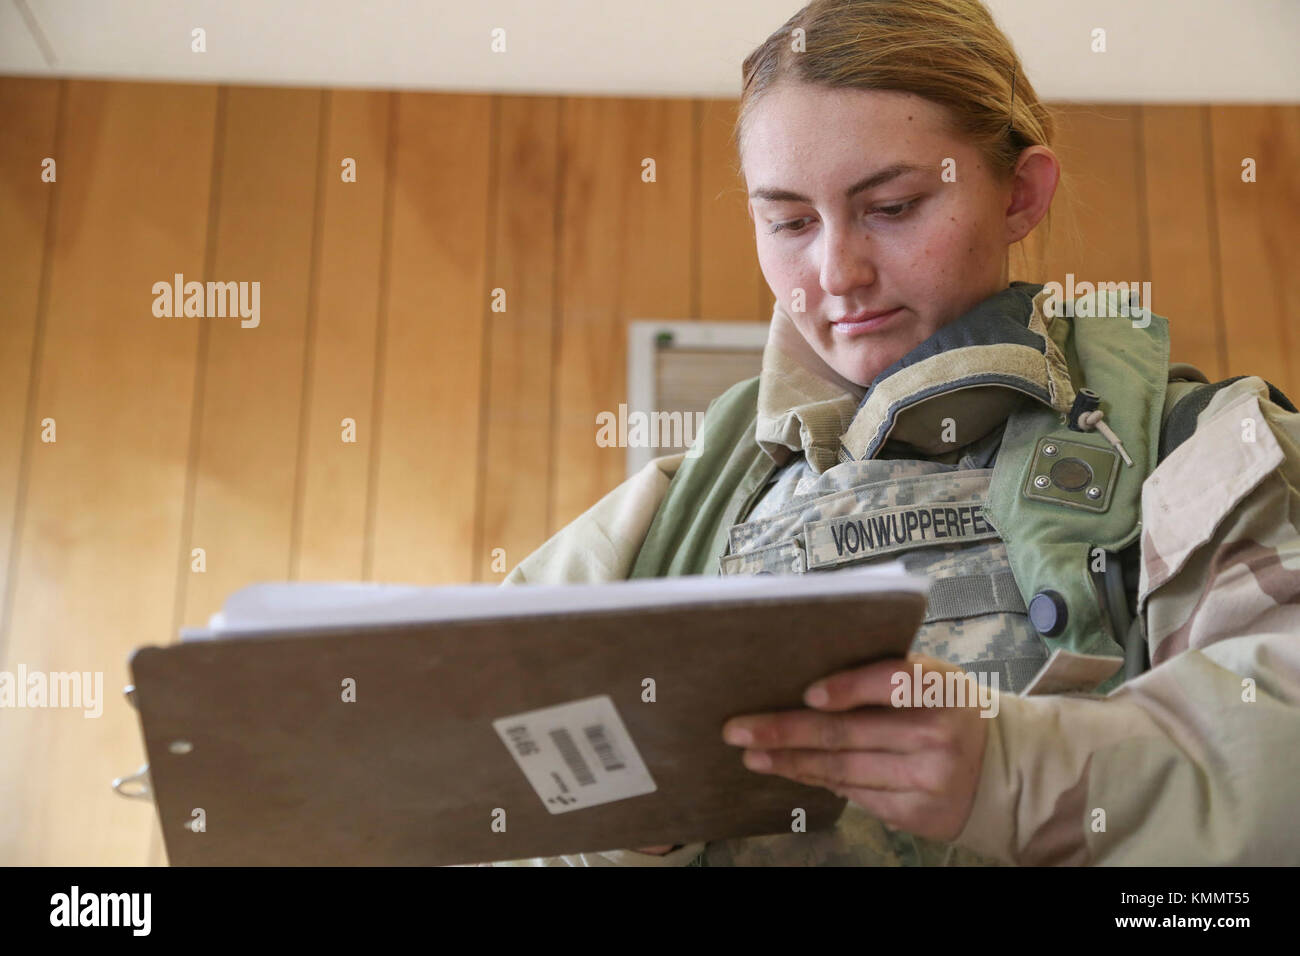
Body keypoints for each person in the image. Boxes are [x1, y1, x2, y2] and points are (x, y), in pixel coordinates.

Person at [488, 0, 1300, 866]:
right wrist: (614, 837)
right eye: (790, 222)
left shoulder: (1200, 450)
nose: (837, 272)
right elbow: (467, 792)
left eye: (895, 206)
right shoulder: (665, 517)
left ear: (1020, 194)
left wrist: (1013, 774)